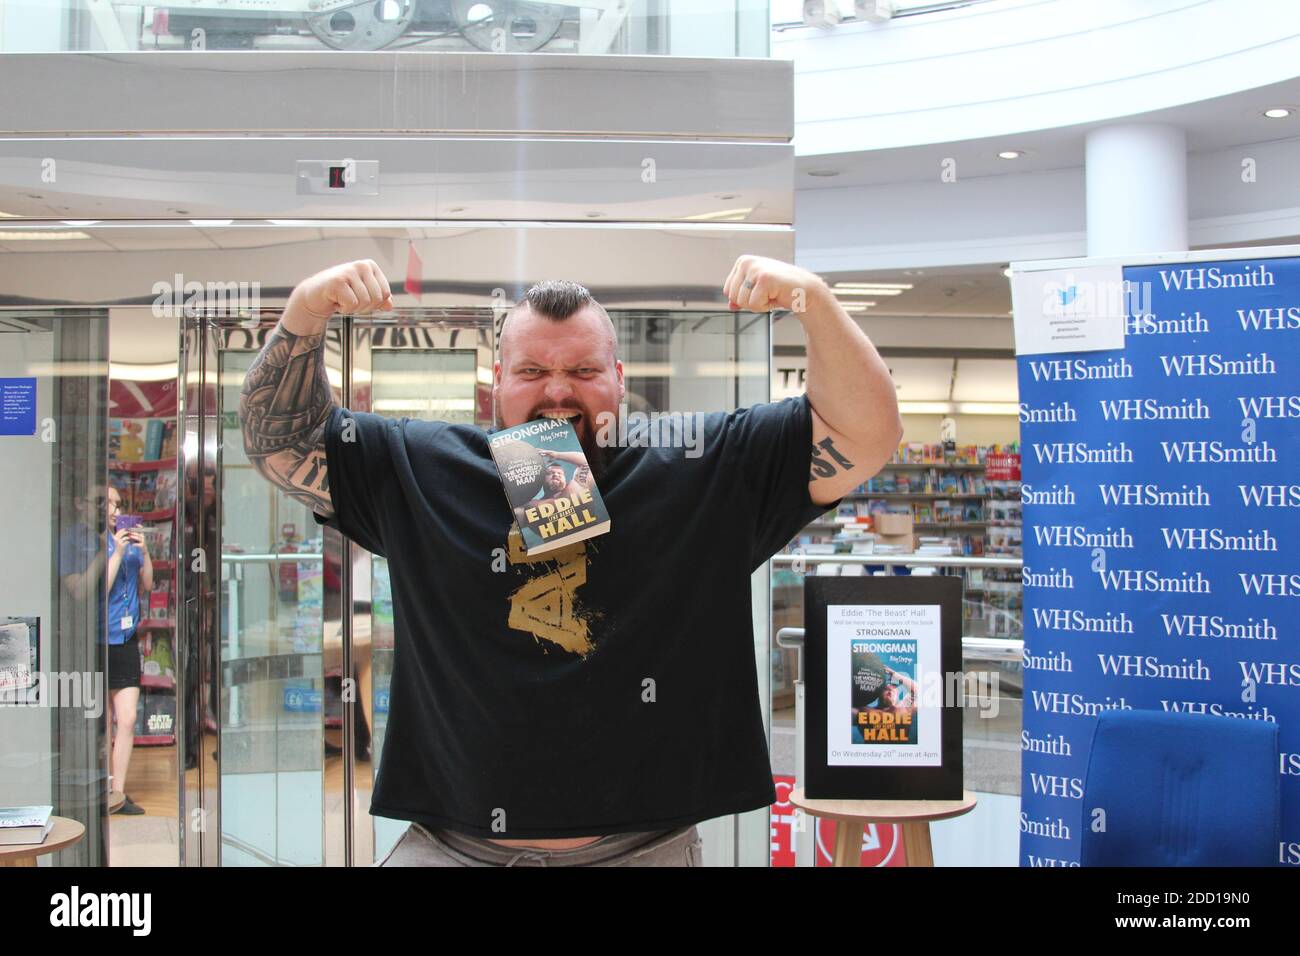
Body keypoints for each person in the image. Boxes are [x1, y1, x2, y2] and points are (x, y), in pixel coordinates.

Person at [238, 257, 901, 866]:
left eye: (583, 371)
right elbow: (282, 440)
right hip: (451, 850)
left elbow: (866, 435)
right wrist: (303, 311)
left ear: (619, 376)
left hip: (642, 852)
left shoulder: (702, 465)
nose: (558, 393)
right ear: (497, 381)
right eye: (532, 372)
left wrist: (816, 303)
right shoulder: (424, 467)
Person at [60, 483, 153, 815]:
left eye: (117, 504)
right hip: (96, 640)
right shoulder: (76, 540)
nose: (114, 510)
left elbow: (147, 584)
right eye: (107, 503)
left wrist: (143, 551)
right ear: (83, 504)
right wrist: (112, 552)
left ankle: (118, 792)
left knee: (127, 718)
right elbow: (89, 592)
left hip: (126, 639)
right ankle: (98, 789)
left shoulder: (124, 540)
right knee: (102, 720)